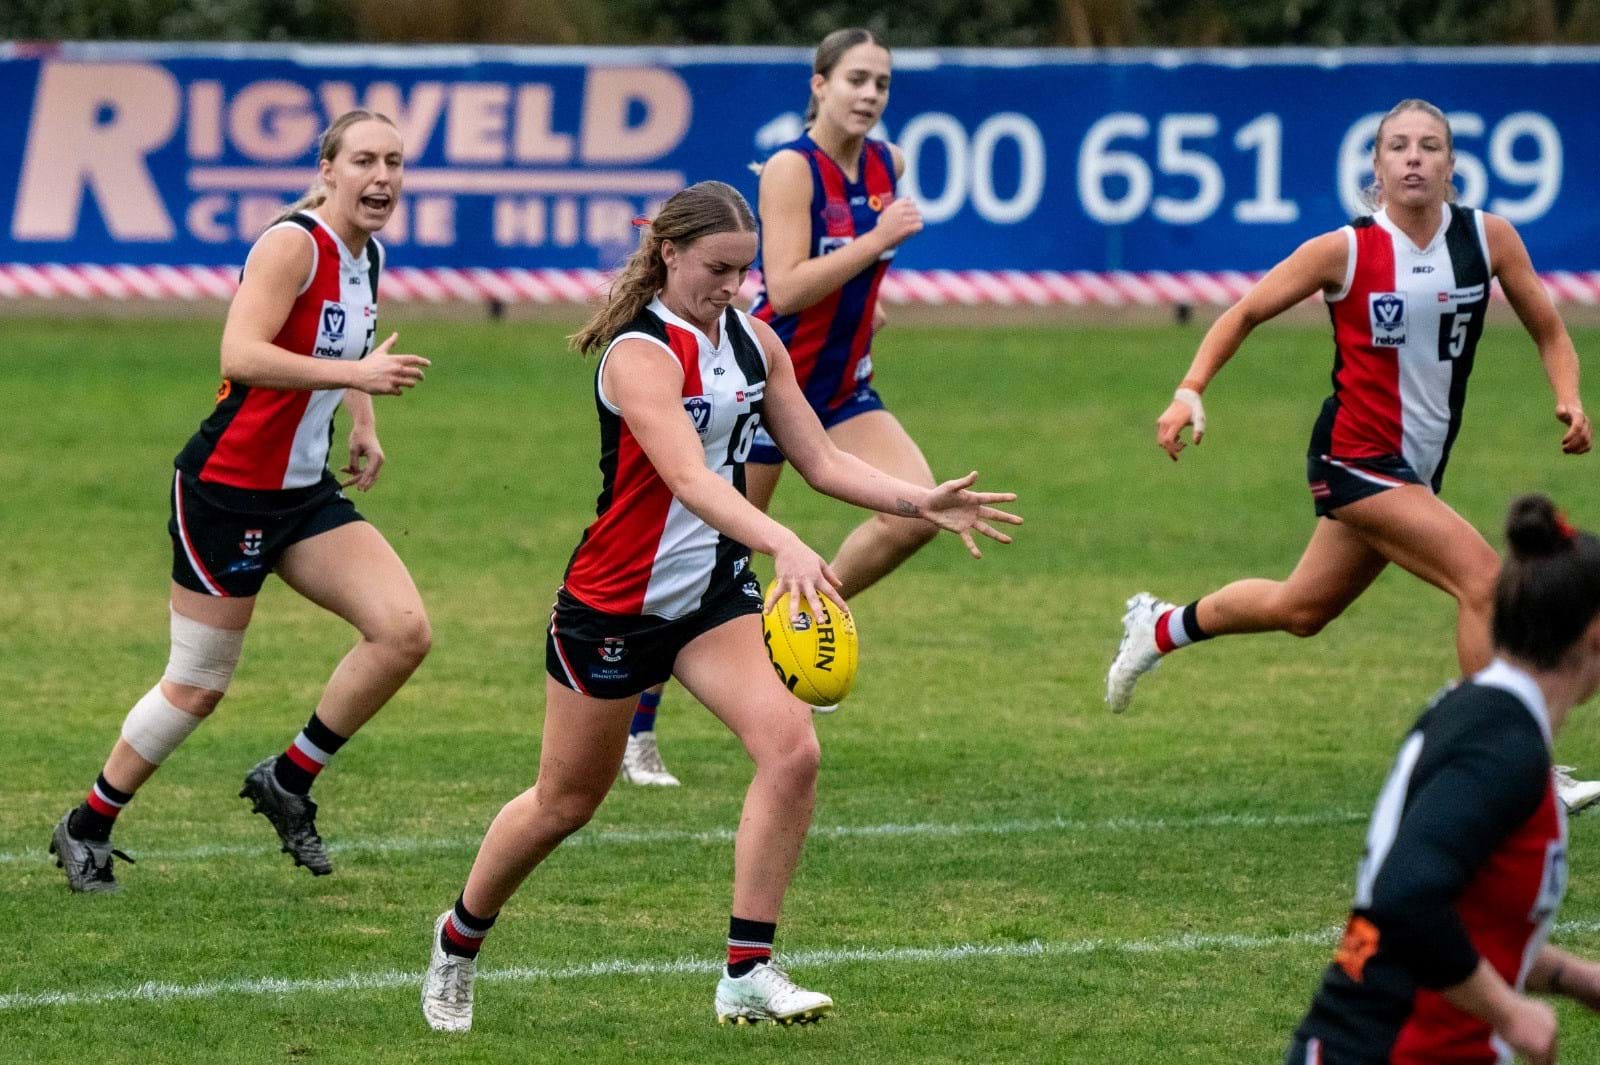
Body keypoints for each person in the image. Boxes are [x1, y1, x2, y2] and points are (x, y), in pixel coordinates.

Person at [419, 180, 1019, 1031]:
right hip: (615, 605)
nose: (733, 286)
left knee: (792, 749)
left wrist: (918, 501)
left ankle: (746, 969)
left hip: (710, 596)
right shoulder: (639, 355)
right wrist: (781, 543)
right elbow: (690, 479)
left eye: (744, 271)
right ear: (668, 254)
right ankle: (457, 936)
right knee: (565, 802)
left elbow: (818, 458)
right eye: (718, 269)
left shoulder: (756, 341)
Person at [1103, 98, 1600, 812]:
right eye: (1398, 146)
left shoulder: (1489, 240)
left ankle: (1159, 625)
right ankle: (1522, 766)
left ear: (1452, 164)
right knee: (1484, 582)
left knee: (1302, 608)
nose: (1414, 158)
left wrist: (1570, 396)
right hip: (1354, 458)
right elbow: (1244, 311)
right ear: (1376, 164)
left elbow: (1551, 329)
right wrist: (1189, 390)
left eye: (1430, 146)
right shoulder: (1345, 249)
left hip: (1415, 467)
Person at [49, 110, 434, 892]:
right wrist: (354, 381)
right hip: (226, 491)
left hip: (302, 494)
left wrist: (362, 419)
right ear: (328, 169)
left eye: (394, 161)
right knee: (197, 684)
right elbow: (242, 354)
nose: (383, 177)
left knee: (403, 632)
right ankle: (87, 823)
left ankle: (288, 779)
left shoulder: (370, 254)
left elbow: (353, 346)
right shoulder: (293, 243)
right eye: (364, 159)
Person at [619, 28, 923, 786]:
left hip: (842, 385)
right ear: (818, 84)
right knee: (711, 557)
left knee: (913, 511)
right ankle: (637, 727)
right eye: (855, 79)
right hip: (760, 385)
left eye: (881, 83)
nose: (869, 95)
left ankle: (806, 629)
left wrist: (867, 309)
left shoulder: (890, 164)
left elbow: (851, 281)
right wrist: (876, 242)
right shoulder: (792, 168)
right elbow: (783, 287)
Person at [1286, 494, 1600, 1065]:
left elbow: (1466, 923)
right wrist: (1511, 1015)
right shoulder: (1501, 742)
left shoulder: (1490, 715)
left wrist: (1578, 979)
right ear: (1595, 633)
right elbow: (1405, 898)